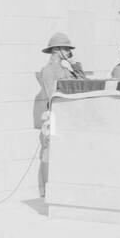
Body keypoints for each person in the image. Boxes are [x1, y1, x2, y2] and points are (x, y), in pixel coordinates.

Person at [34, 32, 82, 200]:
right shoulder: (49, 71)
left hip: (67, 119)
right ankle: (46, 190)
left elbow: (83, 84)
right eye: (66, 49)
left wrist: (75, 66)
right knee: (49, 154)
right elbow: (53, 95)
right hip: (54, 118)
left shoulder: (66, 69)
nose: (69, 52)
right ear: (56, 50)